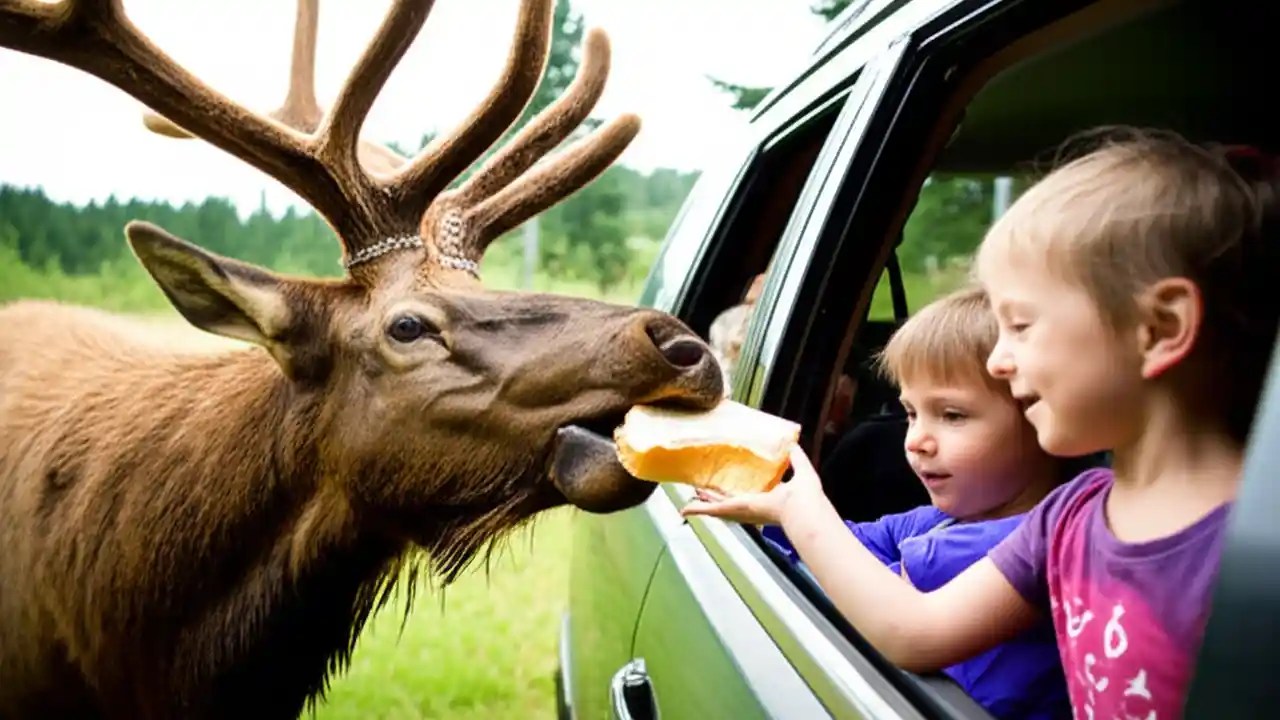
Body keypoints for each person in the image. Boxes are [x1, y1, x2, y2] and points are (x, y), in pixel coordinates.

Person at [682, 128, 1279, 720]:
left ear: (1161, 328)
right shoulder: (1068, 517)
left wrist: (801, 509)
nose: (999, 358)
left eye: (1020, 325)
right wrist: (790, 506)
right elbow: (913, 631)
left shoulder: (1251, 555)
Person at [759, 285, 1071, 720]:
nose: (916, 441)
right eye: (910, 412)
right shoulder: (942, 522)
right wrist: (772, 508)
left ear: (1043, 414)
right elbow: (847, 544)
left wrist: (797, 509)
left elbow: (863, 589)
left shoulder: (1035, 542)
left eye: (952, 415)